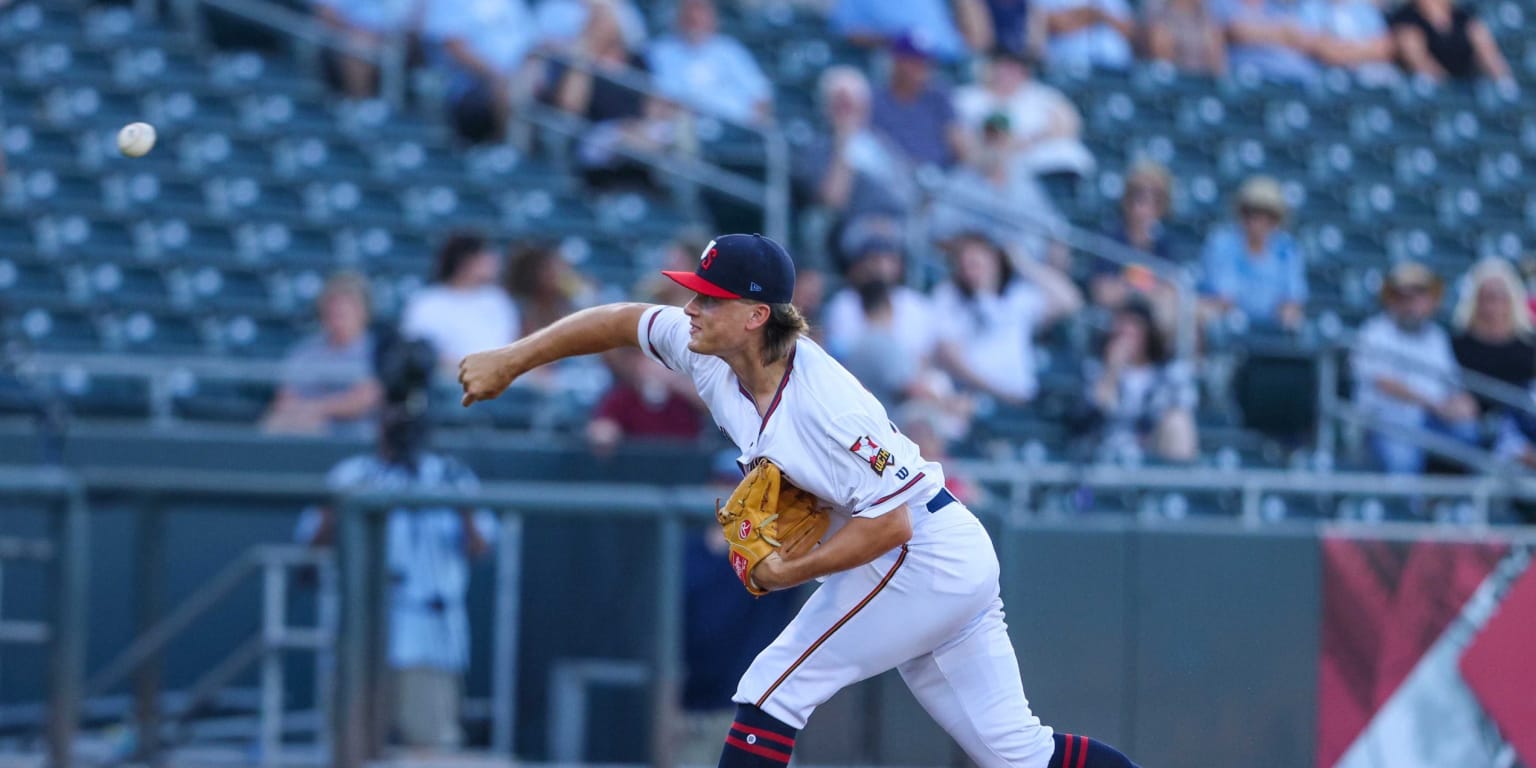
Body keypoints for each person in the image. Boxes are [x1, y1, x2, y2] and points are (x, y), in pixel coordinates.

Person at [458, 233, 1140, 768]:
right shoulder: (705, 349)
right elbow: (619, 321)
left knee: (772, 688)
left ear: (756, 316)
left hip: (921, 554)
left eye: (709, 299)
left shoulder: (829, 405)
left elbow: (891, 525)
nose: (691, 309)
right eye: (695, 294)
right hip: (933, 555)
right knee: (1020, 755)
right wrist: (512, 359)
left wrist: (789, 571)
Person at [296, 399, 497, 750]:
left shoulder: (450, 476)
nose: (401, 430)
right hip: (362, 628)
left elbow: (480, 547)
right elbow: (311, 543)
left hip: (429, 633)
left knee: (427, 743)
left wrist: (461, 505)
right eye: (392, 420)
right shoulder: (353, 473)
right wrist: (339, 504)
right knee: (351, 743)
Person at [1351, 262, 1479, 474]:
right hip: (1387, 421)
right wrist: (1434, 405)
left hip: (1433, 418)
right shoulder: (1374, 331)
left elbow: (1452, 382)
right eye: (1404, 295)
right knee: (1402, 458)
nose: (1411, 303)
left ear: (1430, 301)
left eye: (1419, 295)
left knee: (1469, 432)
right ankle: (1408, 497)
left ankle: (1460, 496)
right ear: (1391, 299)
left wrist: (1464, 403)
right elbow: (1384, 383)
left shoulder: (1436, 336)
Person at [931, 231, 1083, 406]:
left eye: (976, 263)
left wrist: (1025, 264)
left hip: (1018, 400)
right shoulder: (950, 296)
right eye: (964, 265)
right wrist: (999, 391)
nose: (971, 271)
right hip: (973, 398)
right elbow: (949, 356)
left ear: (995, 260)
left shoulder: (1018, 297)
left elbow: (1070, 301)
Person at [263, 273, 382, 437]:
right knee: (275, 423)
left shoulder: (378, 349)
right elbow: (285, 399)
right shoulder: (305, 351)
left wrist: (317, 409)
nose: (338, 319)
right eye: (333, 312)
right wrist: (312, 414)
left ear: (363, 313)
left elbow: (368, 397)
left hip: (358, 431)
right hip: (306, 425)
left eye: (345, 312)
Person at [1080, 298, 1198, 462]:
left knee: (1178, 422)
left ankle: (1179, 478)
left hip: (1155, 447)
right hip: (1109, 451)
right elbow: (1093, 417)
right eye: (1121, 326)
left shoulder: (1171, 372)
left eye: (1134, 326)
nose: (1126, 334)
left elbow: (1182, 405)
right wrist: (1112, 370)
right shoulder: (1095, 370)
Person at [952, 50, 1094, 179]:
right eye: (1005, 67)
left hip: (1053, 161)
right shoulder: (967, 97)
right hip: (1002, 165)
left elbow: (1069, 124)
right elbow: (959, 136)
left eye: (1016, 68)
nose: (1009, 74)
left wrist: (1035, 138)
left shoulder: (1041, 94)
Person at [799, 66, 916, 225]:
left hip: (900, 221)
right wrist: (844, 139)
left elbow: (907, 191)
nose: (849, 110)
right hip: (855, 225)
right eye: (841, 104)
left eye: (854, 102)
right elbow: (833, 202)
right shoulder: (817, 148)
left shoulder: (880, 143)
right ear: (827, 106)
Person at [1199, 175, 1308, 331]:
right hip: (1227, 320)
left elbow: (1293, 297)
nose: (1257, 221)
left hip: (1273, 324)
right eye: (1251, 212)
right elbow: (1224, 297)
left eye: (1267, 215)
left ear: (1276, 219)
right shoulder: (1222, 243)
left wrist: (1287, 312)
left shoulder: (1287, 249)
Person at [422, 0, 538, 144]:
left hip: (518, 75)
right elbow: (453, 46)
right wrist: (496, 75)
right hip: (472, 82)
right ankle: (507, 146)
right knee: (512, 91)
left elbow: (532, 43)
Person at [402, 232, 521, 372]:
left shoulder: (497, 299)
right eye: (485, 257)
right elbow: (419, 352)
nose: (494, 262)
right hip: (449, 377)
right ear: (466, 261)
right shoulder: (428, 302)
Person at [647, 0, 773, 125]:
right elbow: (655, 99)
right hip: (682, 124)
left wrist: (758, 125)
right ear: (678, 19)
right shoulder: (659, 51)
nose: (696, 24)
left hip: (733, 125)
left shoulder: (730, 50)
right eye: (690, 19)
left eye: (701, 18)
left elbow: (760, 95)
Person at [1451, 257, 1535, 418]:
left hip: (1523, 421)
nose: (1496, 305)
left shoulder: (1530, 343)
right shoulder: (1457, 343)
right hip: (1470, 421)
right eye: (1489, 297)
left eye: (1502, 296)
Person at [870, 35, 968, 170]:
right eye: (914, 62)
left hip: (940, 173)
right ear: (897, 62)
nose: (922, 69)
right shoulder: (875, 99)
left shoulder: (938, 97)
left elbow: (960, 146)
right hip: (892, 173)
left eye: (926, 63)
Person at [586, 346, 706, 454]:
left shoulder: (683, 392)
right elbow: (603, 427)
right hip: (640, 464)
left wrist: (675, 382)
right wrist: (605, 433)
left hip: (686, 460)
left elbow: (707, 405)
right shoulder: (623, 396)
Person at [1091, 161, 1176, 312]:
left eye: (1156, 202)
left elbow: (1170, 291)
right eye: (1140, 199)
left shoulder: (1163, 244)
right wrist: (1142, 288)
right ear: (1127, 200)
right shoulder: (1111, 239)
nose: (1146, 210)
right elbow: (1104, 294)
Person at [311, 0, 420, 99]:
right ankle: (359, 104)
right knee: (359, 46)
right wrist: (358, 32)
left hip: (396, 41)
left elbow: (414, 24)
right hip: (347, 36)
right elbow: (326, 13)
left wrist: (383, 38)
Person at [1390, 0, 1513, 83]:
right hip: (1429, 89)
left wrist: (1503, 81)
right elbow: (1419, 61)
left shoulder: (1464, 17)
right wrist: (1450, 90)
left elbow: (1490, 55)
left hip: (1466, 82)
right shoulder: (1406, 19)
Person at [829, 0, 995, 61]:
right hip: (897, 61)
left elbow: (980, 40)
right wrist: (891, 40)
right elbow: (846, 32)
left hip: (949, 63)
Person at [1219, 0, 1322, 85]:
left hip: (1299, 82)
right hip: (1258, 82)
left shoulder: (1276, 6)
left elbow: (1315, 42)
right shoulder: (1224, 3)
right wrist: (1284, 34)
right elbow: (1237, 31)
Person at [1303, 0, 1397, 85]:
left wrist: (1345, 51)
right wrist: (1364, 49)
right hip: (1330, 83)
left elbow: (1385, 48)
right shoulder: (1311, 8)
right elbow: (1326, 52)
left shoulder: (1364, 9)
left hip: (1374, 81)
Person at [1033, 0, 1137, 71]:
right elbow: (1054, 25)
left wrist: (1096, 14)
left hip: (1116, 68)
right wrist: (1097, 14)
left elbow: (1130, 30)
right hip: (1069, 68)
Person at [1145, 0, 1227, 75]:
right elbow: (1162, 55)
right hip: (1174, 77)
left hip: (1202, 77)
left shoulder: (1205, 10)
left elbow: (1216, 59)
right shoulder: (1160, 7)